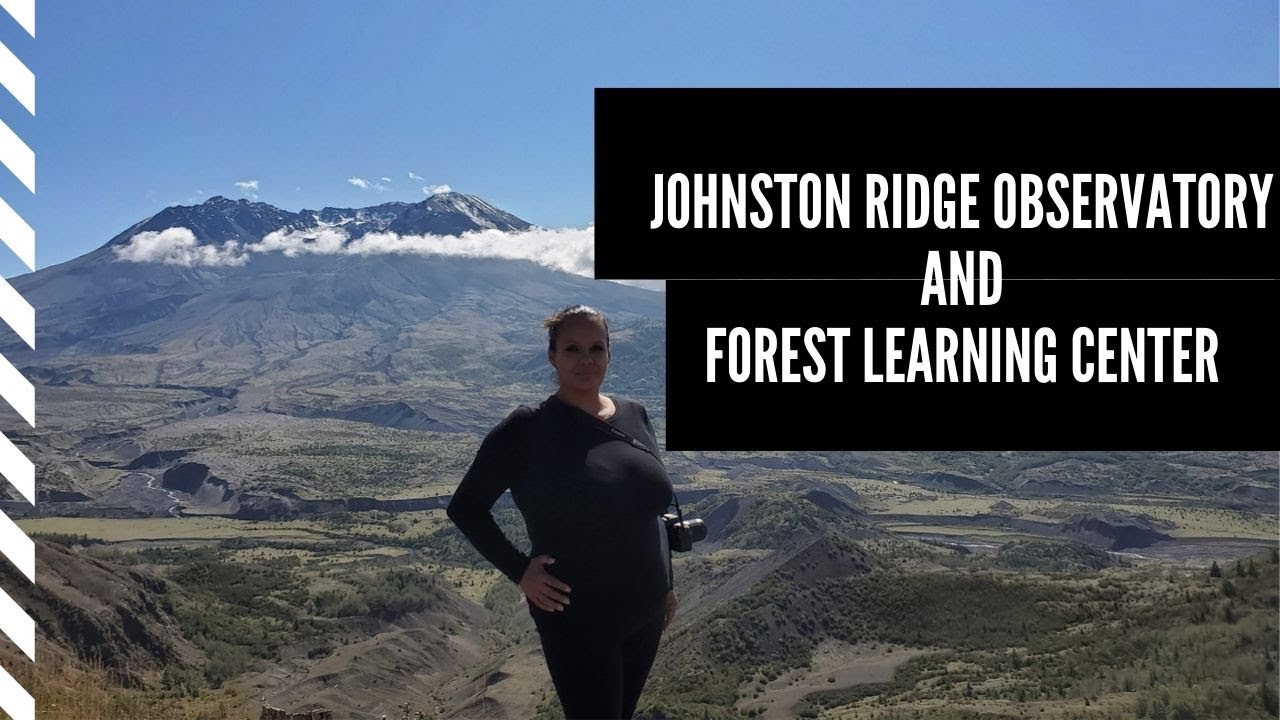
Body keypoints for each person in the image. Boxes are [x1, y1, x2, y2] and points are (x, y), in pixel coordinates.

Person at [446, 304, 678, 720]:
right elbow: (466, 507)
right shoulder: (528, 429)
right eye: (572, 349)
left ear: (610, 354)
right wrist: (520, 570)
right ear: (552, 356)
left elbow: (649, 511)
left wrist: (667, 584)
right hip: (581, 621)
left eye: (596, 348)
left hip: (646, 612)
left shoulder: (634, 414)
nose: (586, 360)